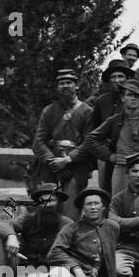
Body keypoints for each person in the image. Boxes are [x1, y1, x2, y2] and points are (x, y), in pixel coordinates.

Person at [25, 186, 128, 277]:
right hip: (70, 274)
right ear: (83, 208)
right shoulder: (71, 228)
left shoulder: (113, 227)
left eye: (96, 203)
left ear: (103, 206)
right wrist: (77, 270)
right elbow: (54, 252)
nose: (93, 207)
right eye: (89, 204)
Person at [75, 80, 139, 195]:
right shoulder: (115, 121)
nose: (133, 98)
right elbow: (90, 139)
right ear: (122, 98)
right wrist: (110, 156)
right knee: (120, 207)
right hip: (121, 172)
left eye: (137, 96)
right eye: (129, 95)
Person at [32, 68, 95, 202]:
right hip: (51, 169)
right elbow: (38, 142)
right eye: (61, 83)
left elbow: (89, 143)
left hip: (76, 167)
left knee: (71, 208)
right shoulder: (49, 111)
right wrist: (52, 162)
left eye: (69, 82)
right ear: (57, 87)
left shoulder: (87, 111)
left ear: (76, 85)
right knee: (48, 207)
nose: (65, 85)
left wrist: (67, 160)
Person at [0, 184, 72, 275]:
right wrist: (11, 236)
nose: (47, 205)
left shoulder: (67, 224)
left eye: (51, 201)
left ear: (58, 202)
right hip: (23, 267)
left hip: (50, 271)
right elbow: (3, 225)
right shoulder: (28, 218)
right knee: (0, 236)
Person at [88, 59, 131, 126]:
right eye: (113, 77)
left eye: (120, 76)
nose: (117, 80)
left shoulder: (137, 99)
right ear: (109, 80)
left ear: (127, 78)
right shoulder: (102, 101)